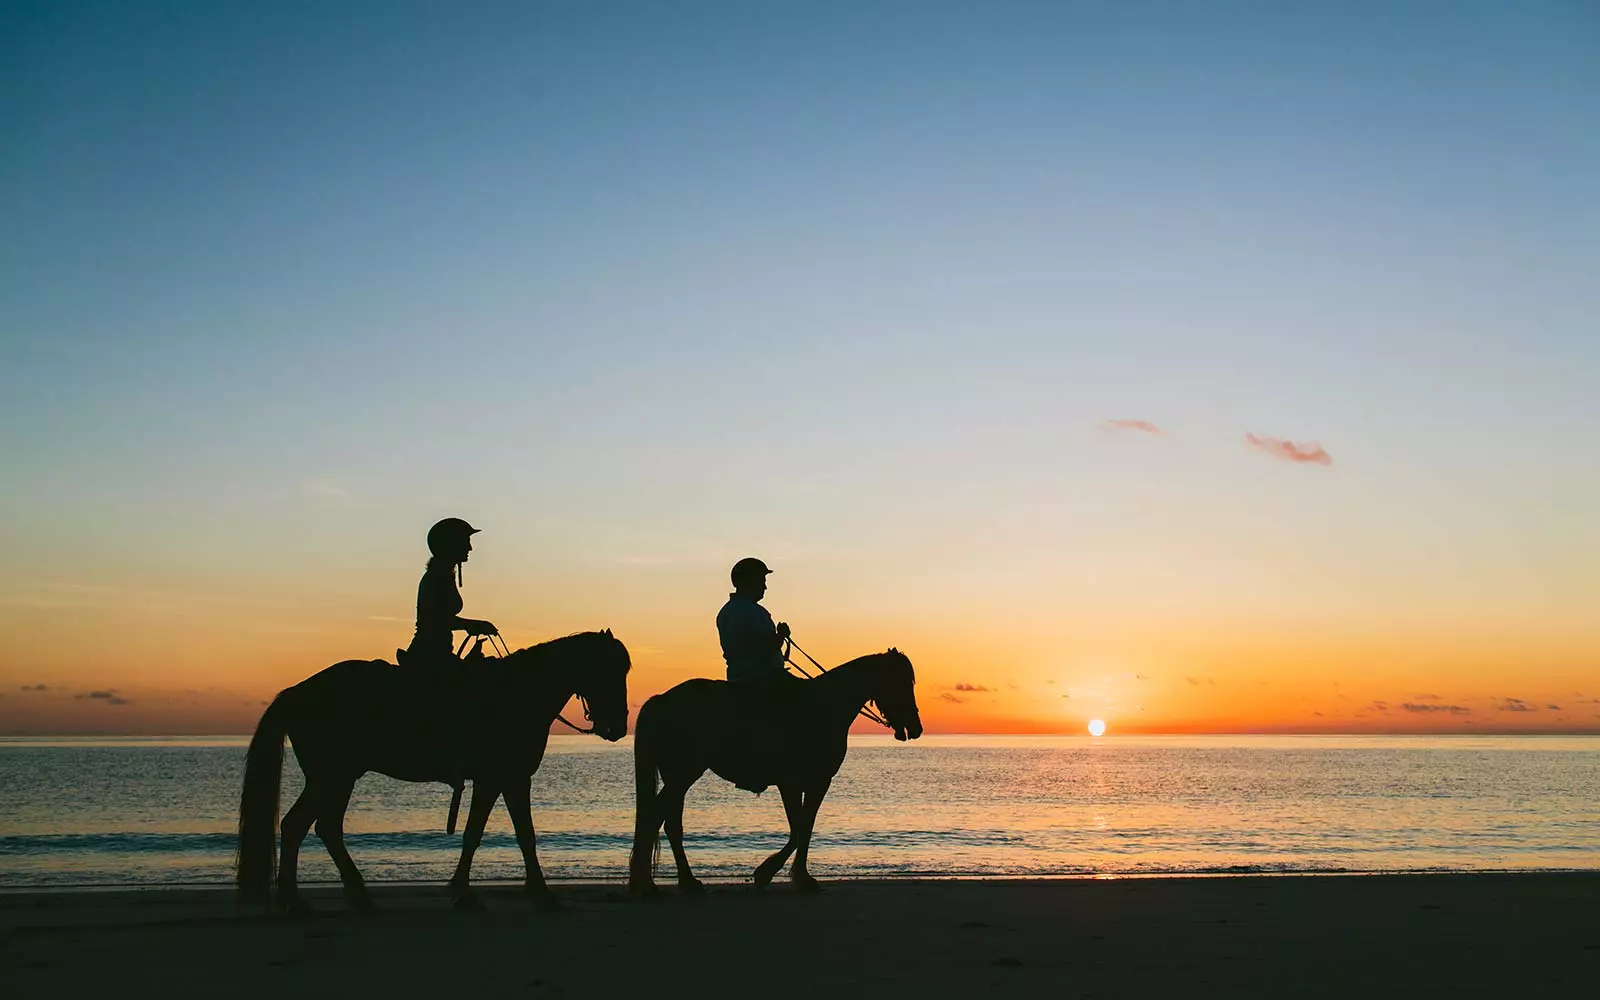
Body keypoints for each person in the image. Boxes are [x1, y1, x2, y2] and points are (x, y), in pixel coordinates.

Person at [402, 517, 498, 667]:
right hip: (430, 657)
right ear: (452, 544)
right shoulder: (438, 576)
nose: (470, 548)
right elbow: (437, 620)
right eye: (465, 542)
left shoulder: (442, 574)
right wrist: (473, 625)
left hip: (437, 653)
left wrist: (472, 625)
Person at [716, 557, 792, 683]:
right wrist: (782, 634)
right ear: (750, 582)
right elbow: (769, 645)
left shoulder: (725, 612)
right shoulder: (753, 611)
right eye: (762, 581)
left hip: (737, 677)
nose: (765, 587)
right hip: (764, 679)